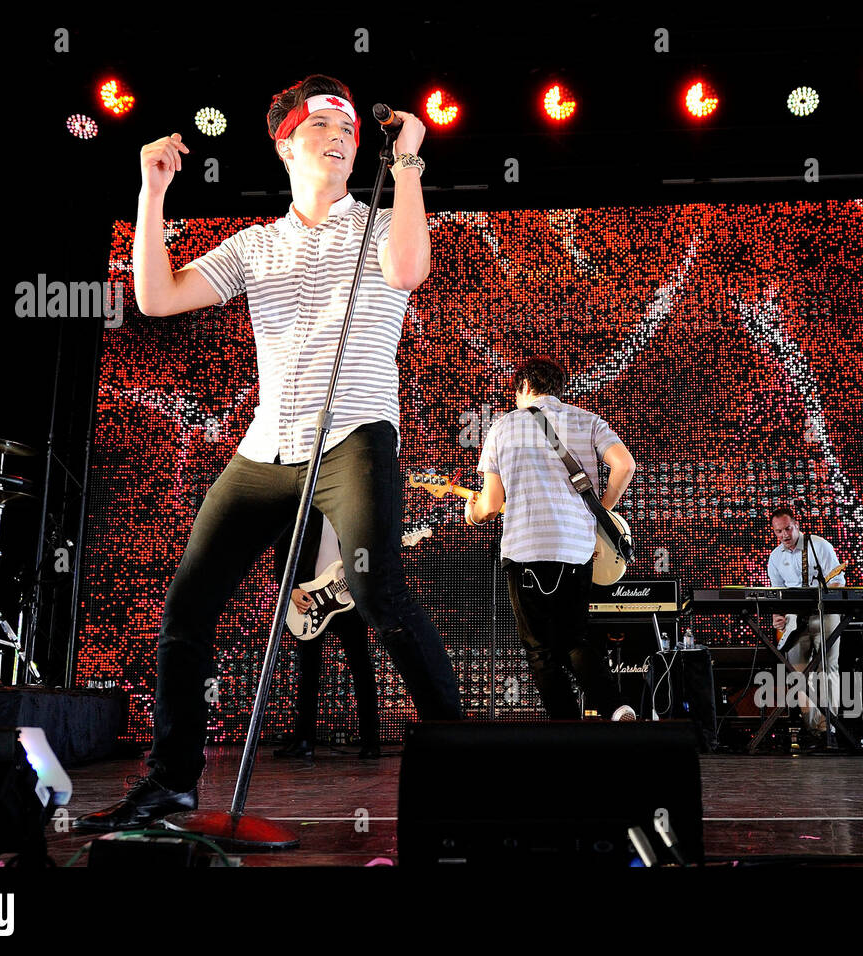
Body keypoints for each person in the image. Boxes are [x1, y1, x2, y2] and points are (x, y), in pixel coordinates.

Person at [79, 74, 460, 831]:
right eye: (323, 124)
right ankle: (172, 783)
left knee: (380, 591)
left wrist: (411, 159)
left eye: (350, 130)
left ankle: (468, 765)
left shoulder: (381, 224)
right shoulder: (256, 245)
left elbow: (410, 271)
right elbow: (156, 297)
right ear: (287, 142)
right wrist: (152, 193)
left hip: (354, 435)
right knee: (188, 607)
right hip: (266, 449)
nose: (341, 136)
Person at [465, 356, 637, 721]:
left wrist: (473, 512)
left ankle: (566, 728)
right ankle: (615, 707)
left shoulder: (503, 427)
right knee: (575, 638)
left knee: (540, 650)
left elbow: (491, 505)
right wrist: (600, 512)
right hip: (577, 550)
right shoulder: (587, 420)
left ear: (525, 386)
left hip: (525, 549)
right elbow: (625, 465)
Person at [274, 508, 380, 762]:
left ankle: (371, 742)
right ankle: (303, 740)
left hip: (348, 601)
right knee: (307, 672)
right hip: (308, 602)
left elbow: (365, 554)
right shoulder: (300, 509)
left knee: (361, 669)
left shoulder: (351, 511)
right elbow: (282, 553)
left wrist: (361, 582)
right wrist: (290, 590)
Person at [766, 505, 846, 735]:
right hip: (794, 621)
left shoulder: (818, 545)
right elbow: (777, 595)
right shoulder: (775, 558)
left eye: (788, 529)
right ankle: (813, 729)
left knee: (828, 668)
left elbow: (838, 581)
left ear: (797, 526)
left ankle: (828, 727)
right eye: (779, 531)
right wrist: (777, 617)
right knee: (799, 672)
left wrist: (821, 592)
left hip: (824, 614)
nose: (784, 535)